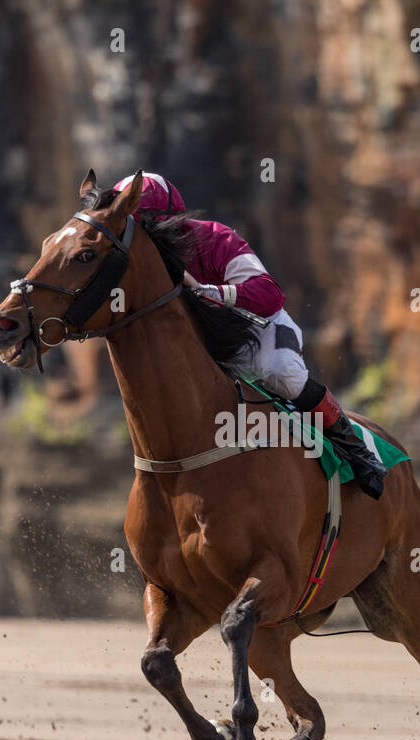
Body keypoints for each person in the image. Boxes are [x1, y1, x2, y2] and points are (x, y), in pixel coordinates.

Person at [113, 172, 386, 499]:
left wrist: (210, 292)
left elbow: (269, 293)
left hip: (257, 330)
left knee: (284, 376)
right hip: (207, 349)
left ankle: (355, 449)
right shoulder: (134, 263)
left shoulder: (215, 238)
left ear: (164, 224)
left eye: (141, 230)